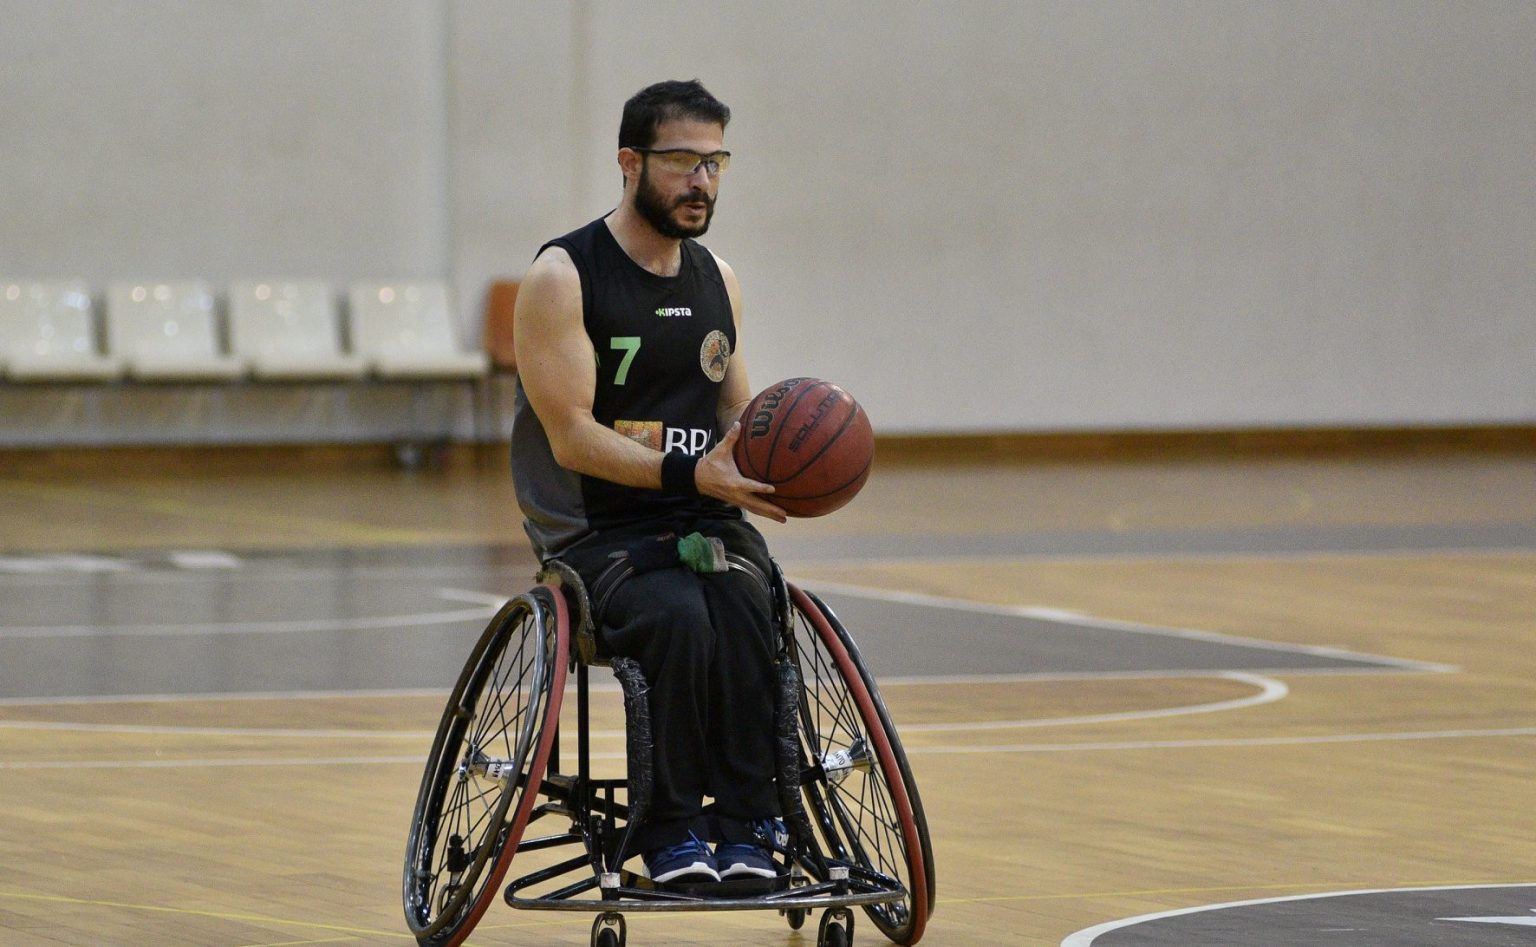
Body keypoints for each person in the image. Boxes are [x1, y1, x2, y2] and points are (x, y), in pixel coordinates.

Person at [510, 79, 789, 886]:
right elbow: (572, 436)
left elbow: (738, 409)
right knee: (676, 619)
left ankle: (747, 823)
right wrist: (686, 468)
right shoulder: (564, 276)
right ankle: (667, 829)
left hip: (701, 516)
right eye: (681, 162)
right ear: (629, 163)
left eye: (714, 162)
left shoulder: (718, 279)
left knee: (747, 603)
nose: (701, 181)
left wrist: (778, 466)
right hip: (598, 531)